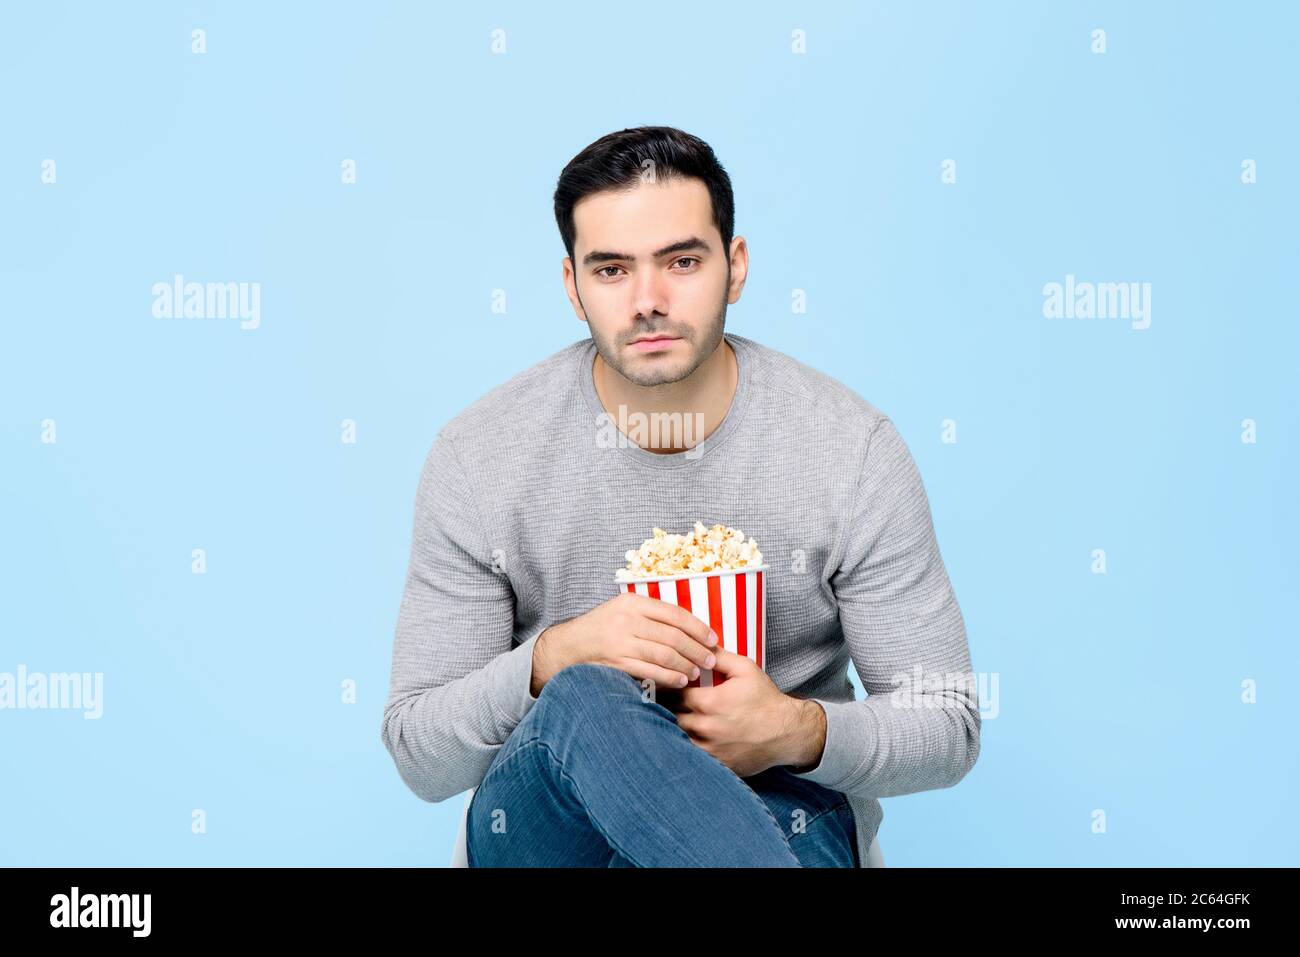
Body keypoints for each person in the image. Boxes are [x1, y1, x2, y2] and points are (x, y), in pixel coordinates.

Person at [381, 126, 980, 867]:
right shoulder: (480, 457)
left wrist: (797, 730)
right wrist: (549, 659)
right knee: (586, 697)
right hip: (554, 824)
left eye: (682, 261)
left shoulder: (848, 450)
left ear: (735, 267)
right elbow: (420, 753)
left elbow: (948, 724)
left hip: (776, 805)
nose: (648, 301)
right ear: (572, 287)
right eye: (611, 270)